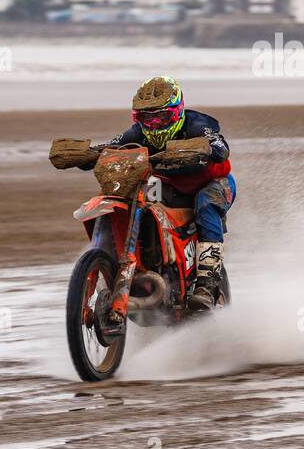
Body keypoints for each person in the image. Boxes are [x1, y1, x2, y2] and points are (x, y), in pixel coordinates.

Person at [97, 76, 234, 310]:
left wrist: (209, 147)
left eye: (162, 116)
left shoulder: (198, 125)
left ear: (177, 111)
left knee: (206, 205)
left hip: (213, 183)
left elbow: (221, 147)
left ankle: (207, 283)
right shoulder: (136, 133)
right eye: (145, 118)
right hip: (168, 185)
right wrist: (88, 154)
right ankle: (143, 261)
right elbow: (109, 147)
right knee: (139, 198)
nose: (154, 124)